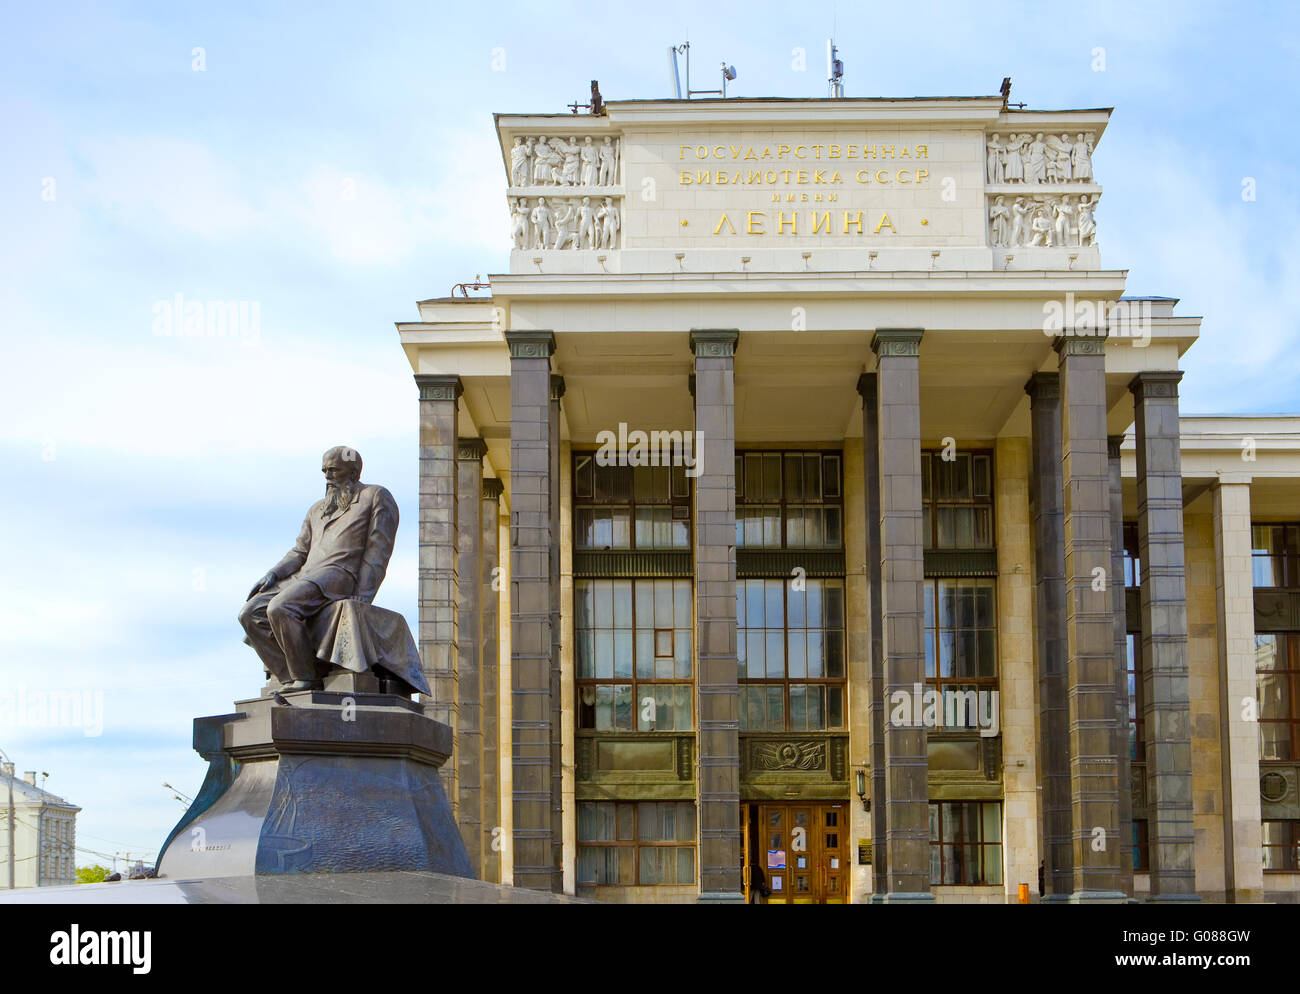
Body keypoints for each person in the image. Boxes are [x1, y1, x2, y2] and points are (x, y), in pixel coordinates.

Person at [238, 446, 398, 690]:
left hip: (338, 574)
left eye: (333, 470)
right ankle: (292, 675)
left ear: (354, 472)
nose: (327, 476)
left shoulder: (374, 496)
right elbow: (299, 552)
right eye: (324, 471)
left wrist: (364, 595)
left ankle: (307, 678)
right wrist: (274, 574)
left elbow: (379, 550)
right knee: (250, 613)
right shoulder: (317, 509)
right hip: (303, 576)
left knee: (281, 607)